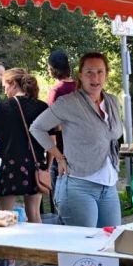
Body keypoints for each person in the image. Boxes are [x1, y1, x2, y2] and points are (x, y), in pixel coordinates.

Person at [30, 52, 124, 266]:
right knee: (83, 248)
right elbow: (37, 127)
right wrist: (56, 154)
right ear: (80, 76)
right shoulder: (68, 103)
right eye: (88, 73)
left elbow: (113, 135)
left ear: (106, 74)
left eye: (99, 72)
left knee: (110, 244)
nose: (94, 78)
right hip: (78, 184)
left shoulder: (111, 101)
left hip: (107, 183)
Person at [0, 68, 48, 223]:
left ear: (12, 84)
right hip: (36, 164)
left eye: (5, 85)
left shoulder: (4, 107)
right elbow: (51, 138)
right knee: (34, 214)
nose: (5, 90)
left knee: (3, 215)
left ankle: (9, 246)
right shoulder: (42, 107)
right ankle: (38, 246)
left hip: (11, 165)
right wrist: (48, 165)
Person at [46, 49, 76, 193]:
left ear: (53, 68)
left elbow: (55, 125)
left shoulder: (56, 91)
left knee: (62, 192)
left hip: (63, 148)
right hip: (83, 146)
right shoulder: (81, 87)